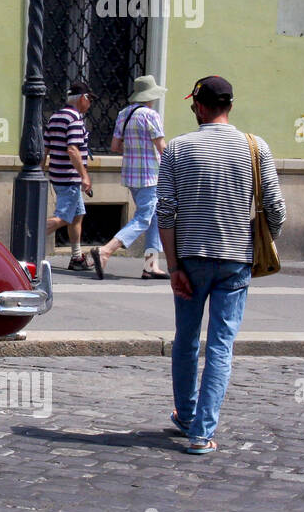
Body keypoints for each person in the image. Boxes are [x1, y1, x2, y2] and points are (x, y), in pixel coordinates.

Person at [156, 75, 285, 454]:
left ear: (198, 106)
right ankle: (202, 433)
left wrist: (172, 265)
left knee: (186, 339)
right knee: (221, 346)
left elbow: (165, 212)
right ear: (230, 106)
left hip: (191, 258)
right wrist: (264, 240)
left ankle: (185, 413)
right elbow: (275, 208)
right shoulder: (255, 147)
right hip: (235, 258)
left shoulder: (177, 149)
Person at [90, 75, 168, 280]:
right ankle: (106, 250)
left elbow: (115, 146)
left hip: (131, 175)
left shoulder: (124, 114)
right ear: (150, 97)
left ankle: (151, 265)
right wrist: (173, 166)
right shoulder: (151, 115)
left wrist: (135, 149)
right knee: (144, 217)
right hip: (151, 175)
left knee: (154, 217)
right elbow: (161, 146)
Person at [44, 81, 93, 272]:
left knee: (77, 216)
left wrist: (41, 170)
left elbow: (46, 147)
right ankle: (30, 240)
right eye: (89, 99)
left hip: (57, 175)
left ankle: (76, 257)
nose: (90, 104)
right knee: (64, 217)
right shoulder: (74, 119)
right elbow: (73, 149)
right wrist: (84, 176)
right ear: (83, 98)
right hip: (70, 177)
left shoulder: (55, 117)